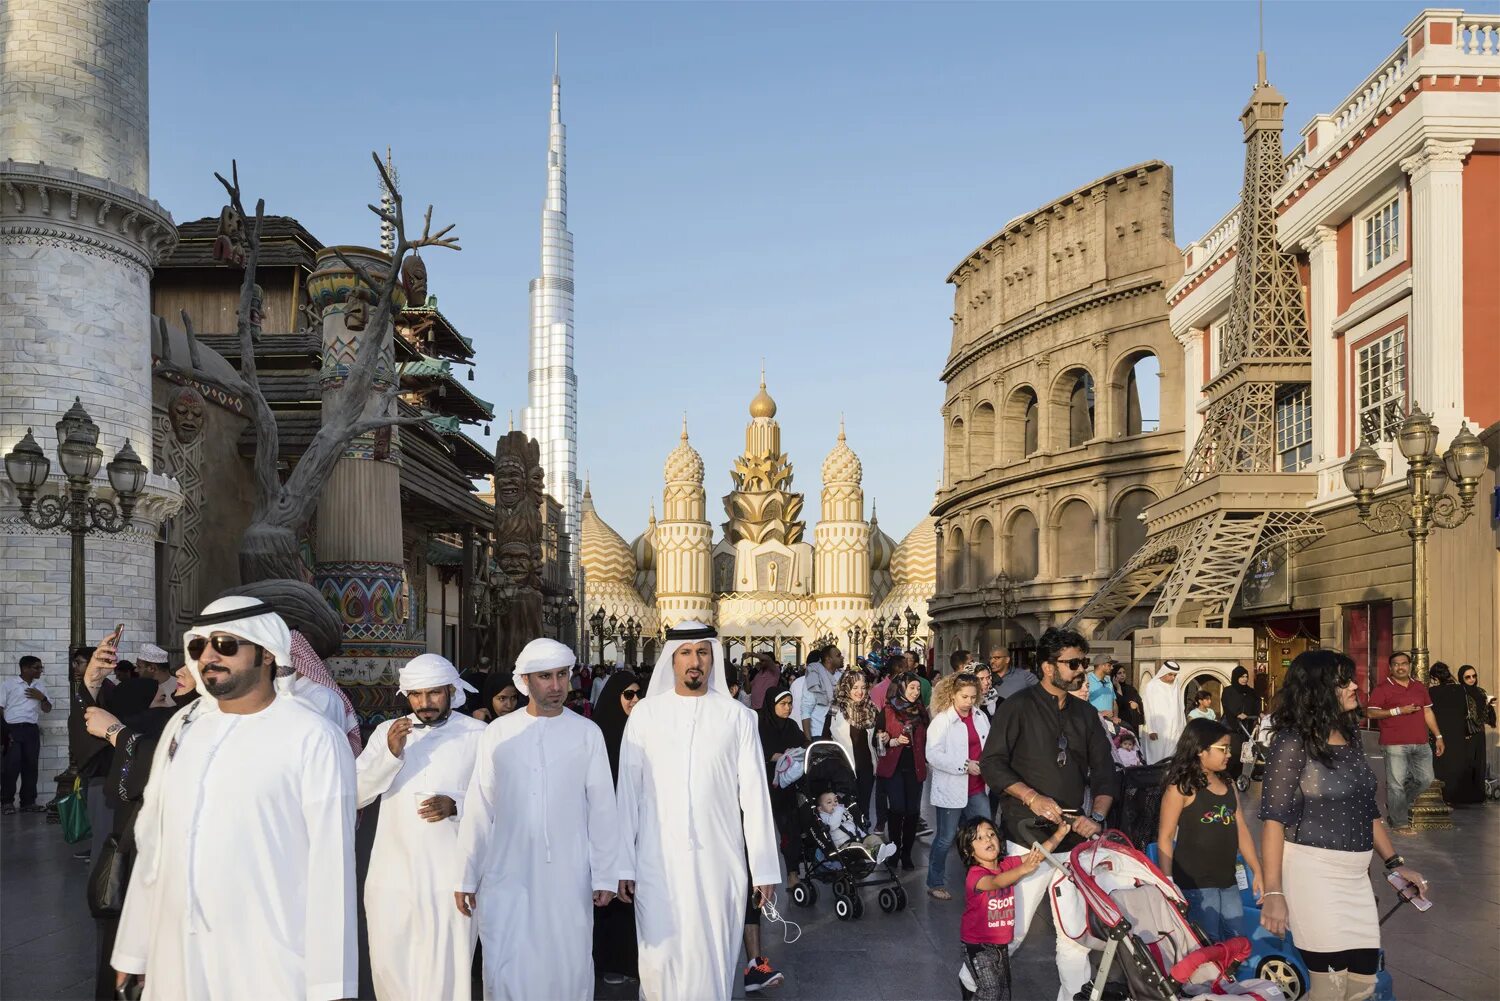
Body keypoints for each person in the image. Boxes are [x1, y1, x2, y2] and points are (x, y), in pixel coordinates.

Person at [111, 596, 357, 1000]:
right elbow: (154, 844)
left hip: (268, 962)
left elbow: (333, 869)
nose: (208, 655)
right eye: (199, 646)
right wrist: (134, 950)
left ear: (267, 653)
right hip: (177, 956)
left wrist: (332, 987)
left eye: (225, 644)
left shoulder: (313, 736)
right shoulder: (184, 727)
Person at [614, 622, 780, 1001]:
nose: (695, 661)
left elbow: (754, 796)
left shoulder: (738, 718)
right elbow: (627, 796)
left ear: (713, 659)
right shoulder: (644, 716)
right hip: (656, 862)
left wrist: (765, 868)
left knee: (713, 962)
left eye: (702, 653)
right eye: (686, 653)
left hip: (719, 865)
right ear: (671, 661)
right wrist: (622, 864)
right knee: (659, 966)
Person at [1259, 650, 1427, 1001]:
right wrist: (1274, 892)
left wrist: (1396, 865)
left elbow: (1368, 810)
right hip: (1313, 875)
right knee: (1331, 989)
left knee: (1362, 986)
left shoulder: (1349, 738)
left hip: (1356, 880)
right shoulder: (1291, 742)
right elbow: (1274, 820)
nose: (1355, 686)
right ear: (1320, 689)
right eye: (1344, 681)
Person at [455, 639, 617, 1000]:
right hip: (507, 874)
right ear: (525, 681)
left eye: (562, 675)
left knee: (568, 965)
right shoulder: (497, 733)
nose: (557, 686)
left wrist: (605, 873)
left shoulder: (587, 734)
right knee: (508, 965)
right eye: (546, 676)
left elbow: (603, 809)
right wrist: (466, 873)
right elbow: (480, 808)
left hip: (569, 876)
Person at [979, 627, 1117, 1001]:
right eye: (1073, 663)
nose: (1081, 670)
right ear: (1046, 667)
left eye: (1083, 663)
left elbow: (1105, 773)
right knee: (1014, 930)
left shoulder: (1087, 714)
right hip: (1026, 836)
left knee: (1074, 934)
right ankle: (974, 985)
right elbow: (991, 764)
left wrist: (1098, 817)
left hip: (1073, 841)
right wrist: (1031, 797)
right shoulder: (1017, 706)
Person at [358, 654, 485, 1000]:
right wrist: (390, 755)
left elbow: (498, 803)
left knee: (446, 972)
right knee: (391, 968)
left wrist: (456, 805)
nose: (424, 704)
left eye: (433, 694)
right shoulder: (389, 732)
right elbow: (355, 794)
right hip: (393, 878)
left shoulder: (478, 735)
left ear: (451, 691)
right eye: (415, 695)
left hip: (451, 880)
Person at [1156, 718, 1263, 942]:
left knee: (1237, 940)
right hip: (1196, 885)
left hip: (1228, 880)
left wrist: (1257, 868)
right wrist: (1167, 882)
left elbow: (1241, 828)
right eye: (1222, 748)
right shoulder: (1181, 787)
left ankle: (1229, 978)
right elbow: (1165, 837)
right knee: (1206, 943)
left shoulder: (1228, 783)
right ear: (1200, 750)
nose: (1229, 754)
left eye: (1228, 748)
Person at [957, 816, 1066, 1001]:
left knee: (1004, 993)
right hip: (978, 947)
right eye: (980, 838)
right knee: (990, 992)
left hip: (1001, 945)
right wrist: (1023, 869)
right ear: (969, 851)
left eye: (991, 834)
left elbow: (1038, 854)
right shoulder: (975, 876)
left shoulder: (1005, 865)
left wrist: (1060, 833)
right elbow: (997, 881)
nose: (988, 839)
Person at [591, 671, 643, 986]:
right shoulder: (599, 734)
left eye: (638, 694)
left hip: (635, 828)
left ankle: (632, 961)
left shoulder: (643, 734)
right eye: (628, 694)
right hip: (604, 828)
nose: (635, 700)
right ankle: (609, 959)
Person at [925, 672, 991, 900]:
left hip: (978, 787)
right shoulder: (942, 721)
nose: (969, 702)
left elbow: (988, 745)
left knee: (984, 833)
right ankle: (935, 882)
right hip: (952, 788)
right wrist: (965, 765)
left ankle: (983, 879)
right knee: (945, 837)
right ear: (952, 695)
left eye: (973, 697)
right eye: (964, 697)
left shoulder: (980, 716)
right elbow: (932, 755)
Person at [1365, 651, 1443, 832]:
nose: (1401, 667)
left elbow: (1428, 712)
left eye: (1404, 663)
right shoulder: (1383, 688)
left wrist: (1438, 736)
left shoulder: (1419, 686)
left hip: (1421, 742)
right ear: (1391, 668)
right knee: (1396, 784)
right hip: (1395, 744)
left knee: (1426, 779)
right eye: (1396, 664)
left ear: (1409, 666)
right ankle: (1399, 822)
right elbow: (1370, 712)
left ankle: (1395, 805)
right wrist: (1398, 711)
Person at [875, 670, 928, 870]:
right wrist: (891, 740)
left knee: (913, 812)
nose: (915, 691)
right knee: (897, 810)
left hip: (915, 768)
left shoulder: (922, 711)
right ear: (901, 688)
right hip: (894, 768)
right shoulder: (888, 711)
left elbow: (927, 739)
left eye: (917, 687)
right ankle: (894, 851)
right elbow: (877, 741)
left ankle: (907, 853)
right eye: (911, 687)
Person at [759, 687, 806, 893]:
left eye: (790, 704)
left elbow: (803, 744)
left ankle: (792, 874)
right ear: (772, 705)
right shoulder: (760, 726)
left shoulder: (791, 726)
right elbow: (757, 750)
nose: (788, 708)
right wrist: (773, 756)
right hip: (764, 787)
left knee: (790, 829)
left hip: (786, 788)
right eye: (783, 704)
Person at [1, 655, 53, 814]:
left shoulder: (40, 686)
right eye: (37, 667)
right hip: (12, 729)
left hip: (31, 729)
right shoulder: (8, 684)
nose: (40, 671)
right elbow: (0, 708)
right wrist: (4, 731)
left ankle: (28, 802)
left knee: (31, 766)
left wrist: (42, 697)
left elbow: (47, 708)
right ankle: (7, 802)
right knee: (11, 766)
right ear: (25, 668)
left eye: (40, 667)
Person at [829, 669, 878, 826]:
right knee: (846, 810)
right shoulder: (836, 710)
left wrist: (883, 737)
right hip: (844, 770)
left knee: (864, 809)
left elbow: (877, 738)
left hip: (866, 768)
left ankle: (864, 842)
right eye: (855, 687)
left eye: (863, 687)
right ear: (846, 686)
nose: (860, 692)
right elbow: (825, 739)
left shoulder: (871, 709)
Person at [1428, 663, 1482, 805]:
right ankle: (1457, 796)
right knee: (1457, 763)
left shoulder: (1432, 692)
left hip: (1440, 732)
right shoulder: (1460, 689)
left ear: (1434, 677)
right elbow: (1466, 710)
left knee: (1442, 762)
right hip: (1458, 732)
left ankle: (1444, 796)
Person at [1220, 666, 1261, 783]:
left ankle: (1239, 778)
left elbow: (1256, 706)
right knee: (1233, 753)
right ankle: (1228, 778)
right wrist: (1237, 714)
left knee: (1243, 755)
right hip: (1231, 727)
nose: (1244, 679)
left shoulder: (1251, 692)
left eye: (1246, 676)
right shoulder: (1229, 691)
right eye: (1242, 677)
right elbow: (1227, 705)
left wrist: (1254, 714)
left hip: (1246, 727)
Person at [816, 790, 887, 857]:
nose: (834, 804)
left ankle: (881, 849)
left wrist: (864, 835)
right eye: (829, 802)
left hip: (858, 837)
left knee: (874, 839)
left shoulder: (843, 810)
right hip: (844, 844)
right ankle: (874, 853)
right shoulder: (824, 816)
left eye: (835, 801)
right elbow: (832, 825)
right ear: (821, 809)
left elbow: (852, 823)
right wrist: (838, 810)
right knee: (859, 848)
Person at [1141, 661, 1184, 764]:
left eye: (1174, 675)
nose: (1173, 678)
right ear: (1163, 672)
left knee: (1173, 756)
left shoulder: (1176, 684)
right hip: (1158, 728)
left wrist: (1182, 726)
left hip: (1175, 728)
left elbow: (1180, 706)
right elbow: (1148, 707)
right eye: (1170, 674)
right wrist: (1151, 729)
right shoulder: (1152, 685)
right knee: (1157, 756)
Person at [802, 647, 835, 740]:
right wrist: (808, 739)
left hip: (835, 731)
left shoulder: (839, 676)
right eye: (838, 656)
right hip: (818, 732)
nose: (842, 658)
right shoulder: (813, 678)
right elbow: (806, 709)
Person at [1110, 663, 1145, 734]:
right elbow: (1120, 703)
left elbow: (1139, 702)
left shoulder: (1130, 689)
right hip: (1120, 722)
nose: (1122, 675)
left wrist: (1137, 705)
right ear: (1114, 676)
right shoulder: (1110, 689)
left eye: (1124, 672)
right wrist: (1118, 687)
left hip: (1132, 723)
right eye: (1119, 673)